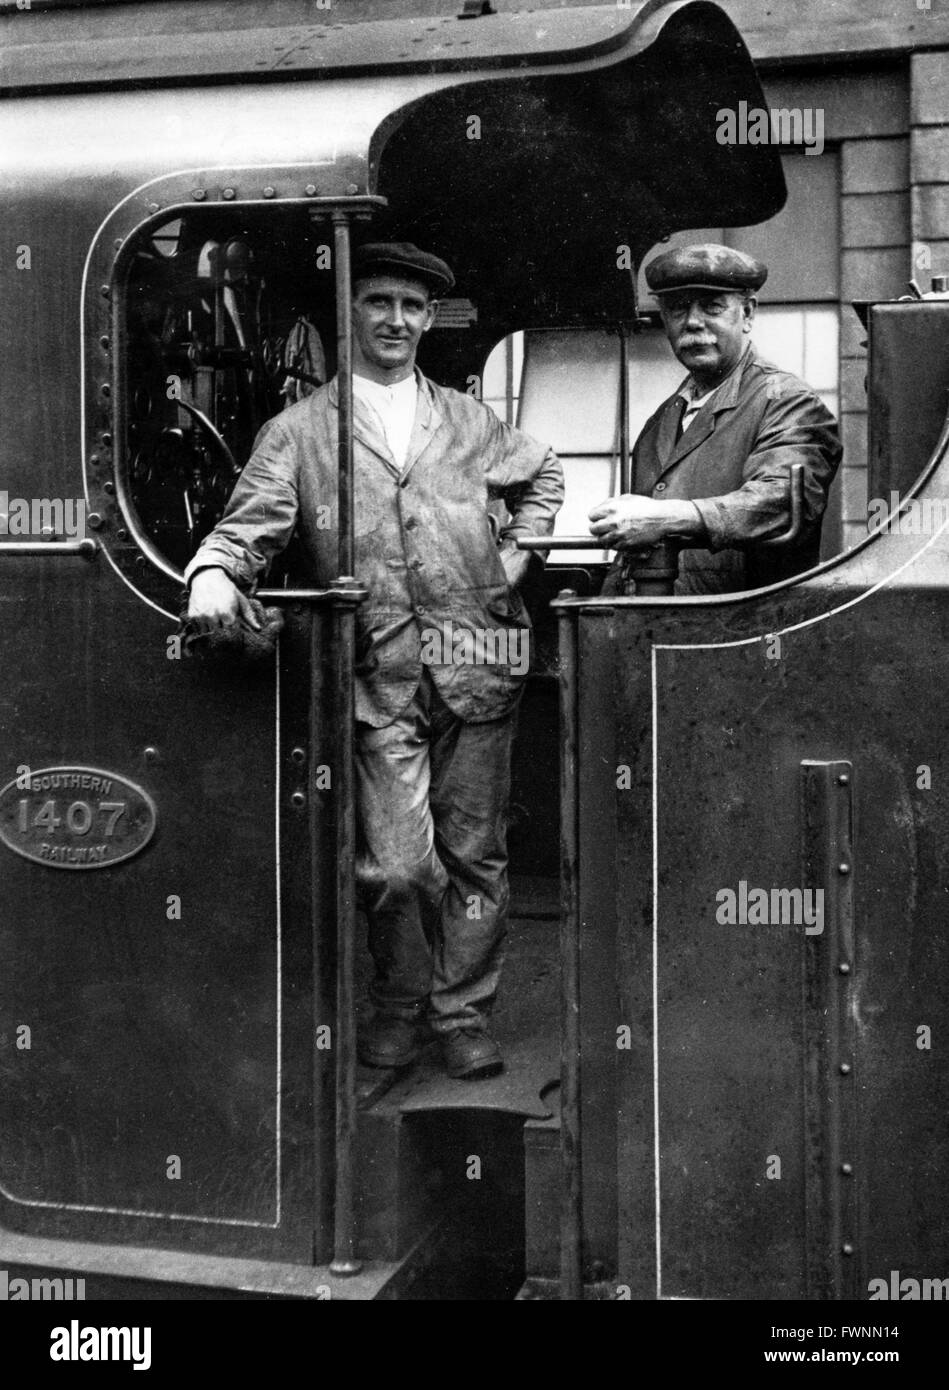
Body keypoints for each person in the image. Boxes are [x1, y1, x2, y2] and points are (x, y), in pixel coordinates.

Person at [185, 242, 564, 1080]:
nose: (396, 320)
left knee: (476, 857)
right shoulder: (298, 431)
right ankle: (398, 1002)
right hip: (376, 674)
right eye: (379, 302)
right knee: (394, 865)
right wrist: (214, 572)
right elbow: (247, 527)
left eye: (413, 307)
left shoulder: (468, 420)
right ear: (348, 311)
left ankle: (460, 1014)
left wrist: (515, 558)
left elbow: (545, 476)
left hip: (479, 661)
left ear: (429, 320)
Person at [590, 244, 842, 592]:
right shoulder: (659, 421)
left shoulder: (788, 403)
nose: (693, 322)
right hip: (654, 629)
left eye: (712, 307)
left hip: (746, 633)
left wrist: (668, 517)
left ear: (748, 313)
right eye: (678, 308)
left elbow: (782, 503)